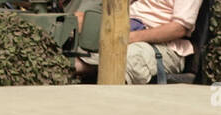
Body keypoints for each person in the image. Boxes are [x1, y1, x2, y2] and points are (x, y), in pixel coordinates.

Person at [74, 0, 203, 85]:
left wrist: (131, 37)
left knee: (127, 57)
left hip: (163, 45)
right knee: (77, 27)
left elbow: (179, 28)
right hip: (126, 27)